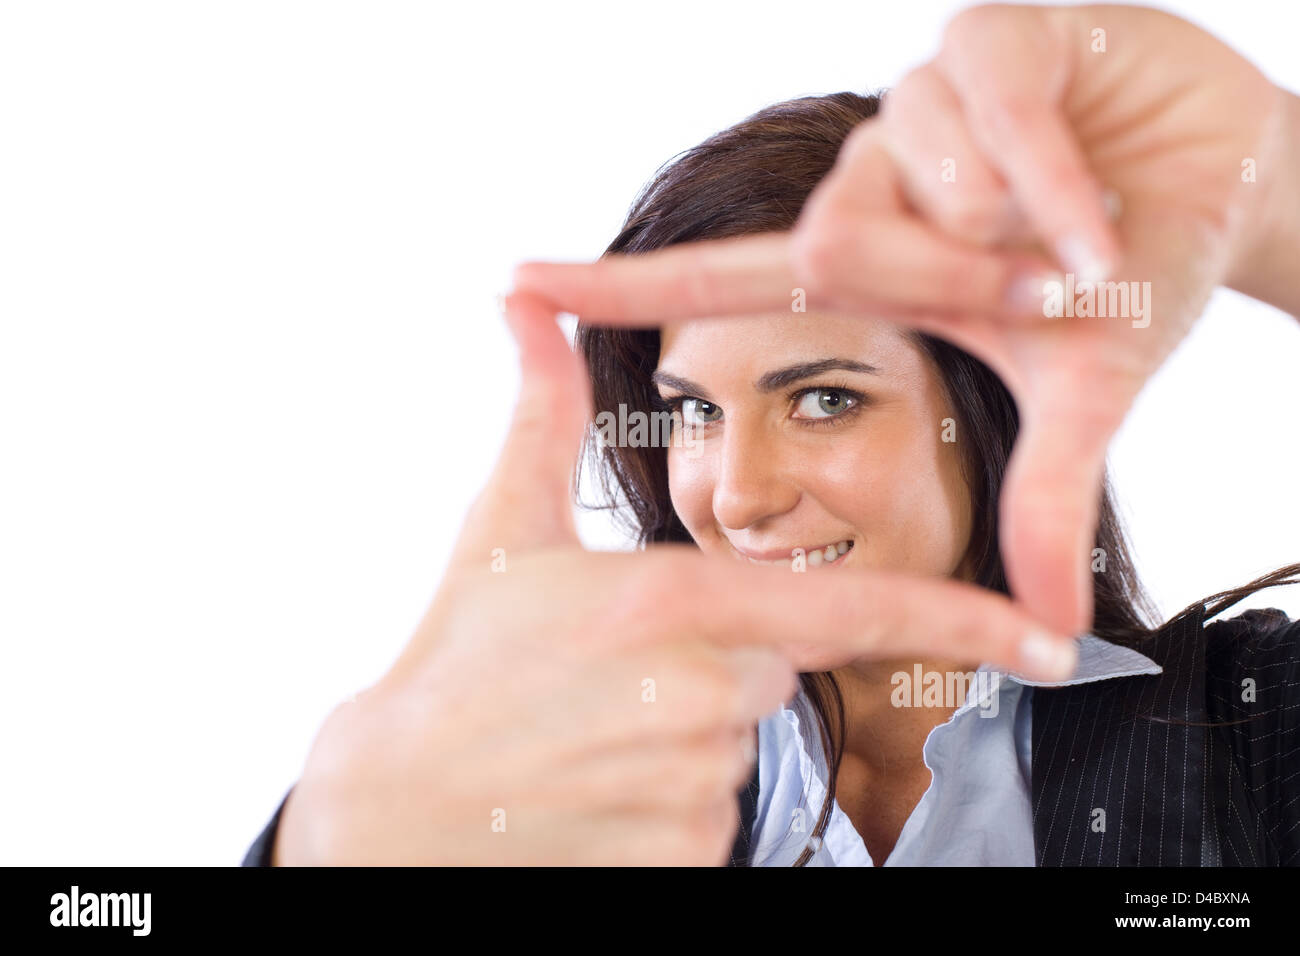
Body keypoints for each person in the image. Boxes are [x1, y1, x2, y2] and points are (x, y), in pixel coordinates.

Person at [245, 3, 1300, 866]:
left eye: (823, 398)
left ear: (991, 408)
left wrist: (1275, 191)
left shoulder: (1251, 731)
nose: (735, 493)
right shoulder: (569, 779)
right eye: (695, 410)